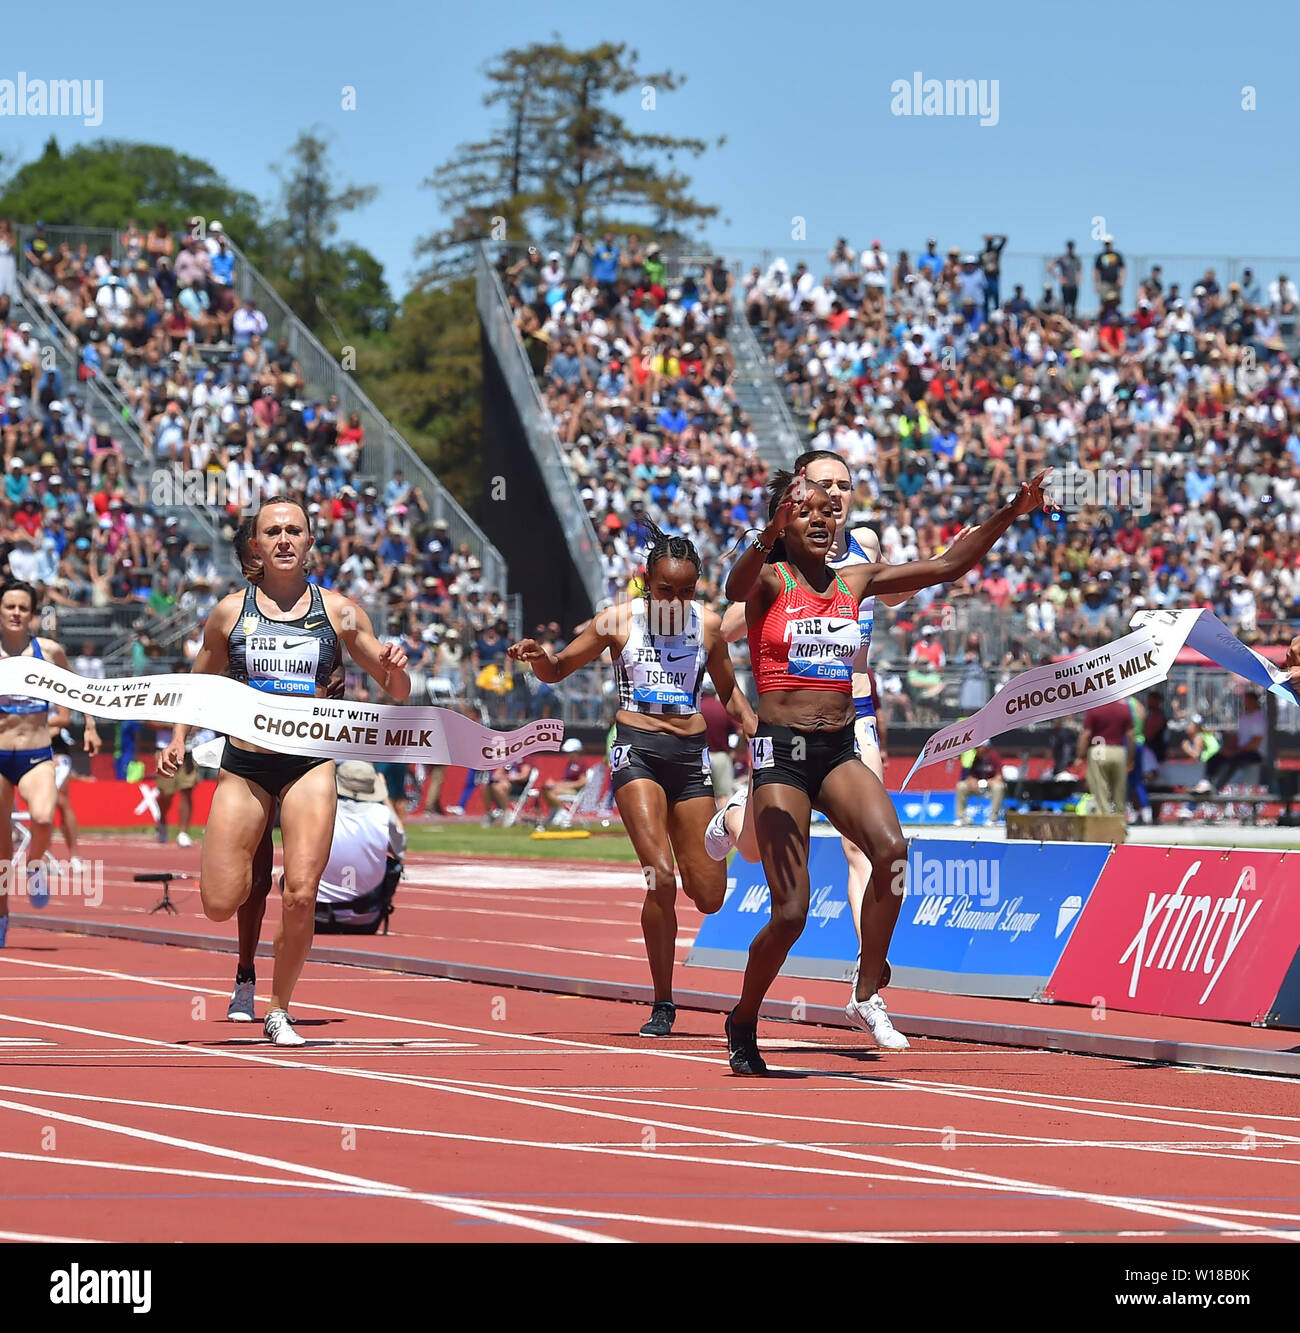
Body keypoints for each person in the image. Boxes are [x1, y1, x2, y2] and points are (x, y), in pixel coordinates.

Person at [720, 467, 1049, 1074]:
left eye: (829, 510)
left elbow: (947, 566)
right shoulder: (768, 578)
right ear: (782, 522)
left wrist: (1010, 512)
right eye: (806, 511)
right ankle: (743, 1015)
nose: (822, 519)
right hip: (782, 754)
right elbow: (737, 585)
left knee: (891, 849)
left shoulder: (857, 580)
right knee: (789, 914)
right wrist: (766, 535)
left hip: (838, 748)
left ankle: (869, 975)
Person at [161, 500, 410, 1045]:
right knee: (219, 902)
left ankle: (279, 1008)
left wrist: (394, 670)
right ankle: (244, 966)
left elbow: (396, 692)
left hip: (310, 762)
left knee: (300, 892)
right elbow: (197, 681)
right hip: (245, 763)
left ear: (310, 541)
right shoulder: (230, 612)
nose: (283, 539)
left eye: (294, 530)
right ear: (254, 545)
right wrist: (179, 736)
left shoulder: (340, 612)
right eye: (271, 531)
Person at [508, 520, 757, 1037]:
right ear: (647, 582)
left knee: (709, 895)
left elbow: (731, 695)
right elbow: (557, 669)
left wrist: (764, 737)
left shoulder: (707, 626)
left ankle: (727, 816)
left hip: (690, 753)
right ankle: (664, 1001)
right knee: (658, 876)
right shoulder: (617, 623)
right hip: (635, 747)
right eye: (666, 590)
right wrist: (538, 659)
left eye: (687, 590)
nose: (676, 599)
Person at [709, 448, 928, 1012]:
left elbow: (901, 589)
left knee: (875, 850)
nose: (836, 494)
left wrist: (978, 537)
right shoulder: (779, 556)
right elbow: (729, 621)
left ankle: (867, 985)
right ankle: (737, 815)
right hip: (785, 718)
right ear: (801, 489)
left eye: (845, 486)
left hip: (851, 708)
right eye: (825, 484)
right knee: (762, 862)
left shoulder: (866, 550)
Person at [0, 581, 102, 947]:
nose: (15, 613)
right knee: (0, 850)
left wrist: (89, 724)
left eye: (21, 608)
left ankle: (37, 866)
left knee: (43, 817)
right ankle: (2, 913)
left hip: (35, 752)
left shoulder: (49, 651)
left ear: (32, 614)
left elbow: (80, 687)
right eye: (9, 606)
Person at [1077, 698, 1133, 816]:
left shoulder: (1094, 708)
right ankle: (1119, 822)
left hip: (1098, 749)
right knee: (1119, 791)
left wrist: (1079, 756)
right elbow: (1131, 736)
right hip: (1119, 751)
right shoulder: (1124, 708)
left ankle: (1103, 820)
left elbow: (1086, 734)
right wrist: (1130, 758)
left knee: (1100, 791)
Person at [1206, 693, 1267, 788]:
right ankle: (1208, 784)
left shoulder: (1259, 718)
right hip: (1240, 751)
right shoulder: (1243, 718)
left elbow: (1255, 743)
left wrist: (1235, 752)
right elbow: (1237, 737)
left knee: (1233, 762)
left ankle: (1220, 787)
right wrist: (1227, 750)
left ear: (1254, 701)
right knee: (1214, 759)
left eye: (1247, 700)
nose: (1244, 703)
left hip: (1254, 753)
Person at [955, 742, 1006, 825]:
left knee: (999, 787)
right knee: (961, 786)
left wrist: (986, 783)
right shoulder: (975, 757)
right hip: (977, 786)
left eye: (978, 747)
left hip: (990, 785)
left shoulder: (994, 756)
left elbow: (999, 777)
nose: (976, 749)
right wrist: (972, 781)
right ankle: (962, 818)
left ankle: (993, 819)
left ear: (985, 747)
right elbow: (969, 775)